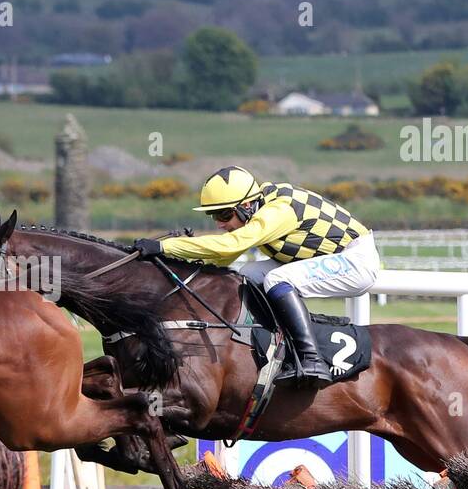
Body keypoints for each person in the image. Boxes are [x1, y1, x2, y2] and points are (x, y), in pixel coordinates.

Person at [132, 165, 380, 387]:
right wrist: (177, 258)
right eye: (213, 216)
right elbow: (224, 258)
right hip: (323, 258)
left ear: (247, 206)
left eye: (224, 215)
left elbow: (229, 245)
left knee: (277, 280)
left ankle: (311, 360)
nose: (219, 224)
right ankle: (271, 344)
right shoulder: (260, 206)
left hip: (356, 261)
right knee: (246, 274)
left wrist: (166, 247)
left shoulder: (278, 211)